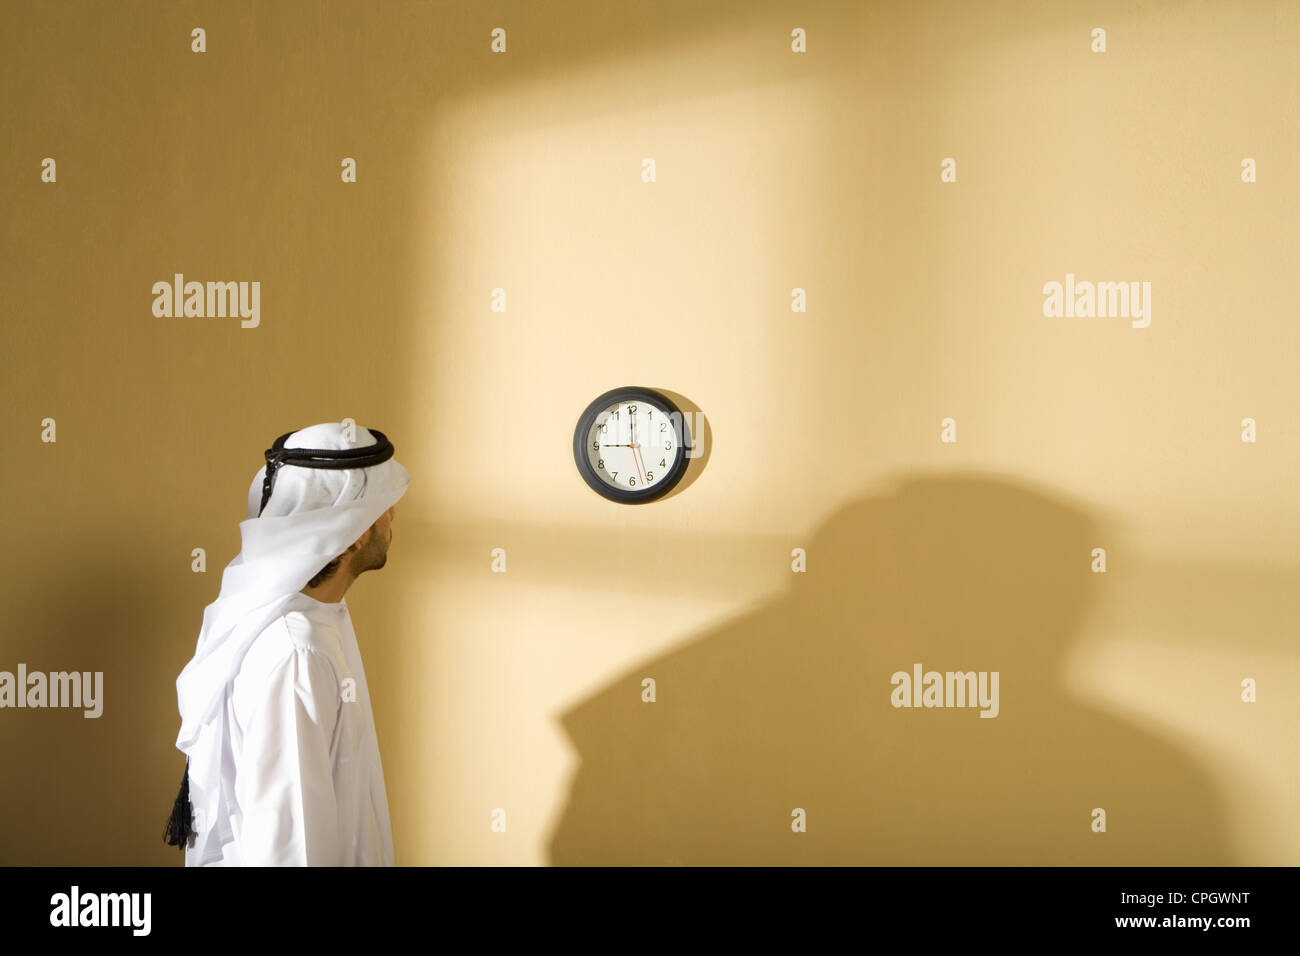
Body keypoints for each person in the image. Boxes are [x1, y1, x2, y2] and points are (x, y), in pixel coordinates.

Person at [165, 422, 409, 865]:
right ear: (353, 531)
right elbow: (291, 848)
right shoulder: (296, 654)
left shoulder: (309, 626)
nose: (393, 517)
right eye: (385, 508)